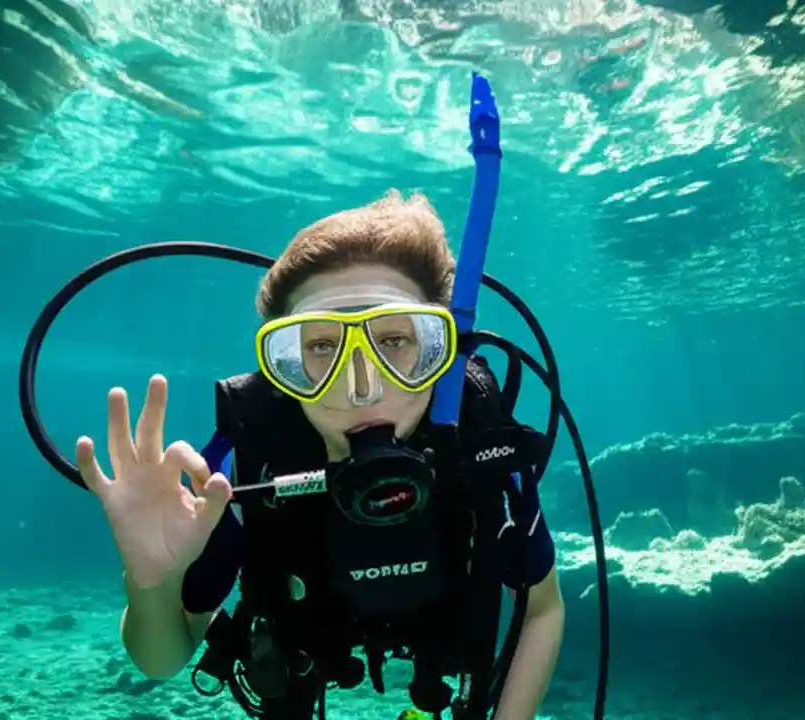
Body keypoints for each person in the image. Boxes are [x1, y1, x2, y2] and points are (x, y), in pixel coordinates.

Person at [75, 189, 564, 720]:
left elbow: (541, 608)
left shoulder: (477, 432)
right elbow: (161, 660)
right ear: (285, 367)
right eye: (322, 346)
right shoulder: (258, 457)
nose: (362, 388)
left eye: (395, 339)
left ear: (437, 351)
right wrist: (152, 584)